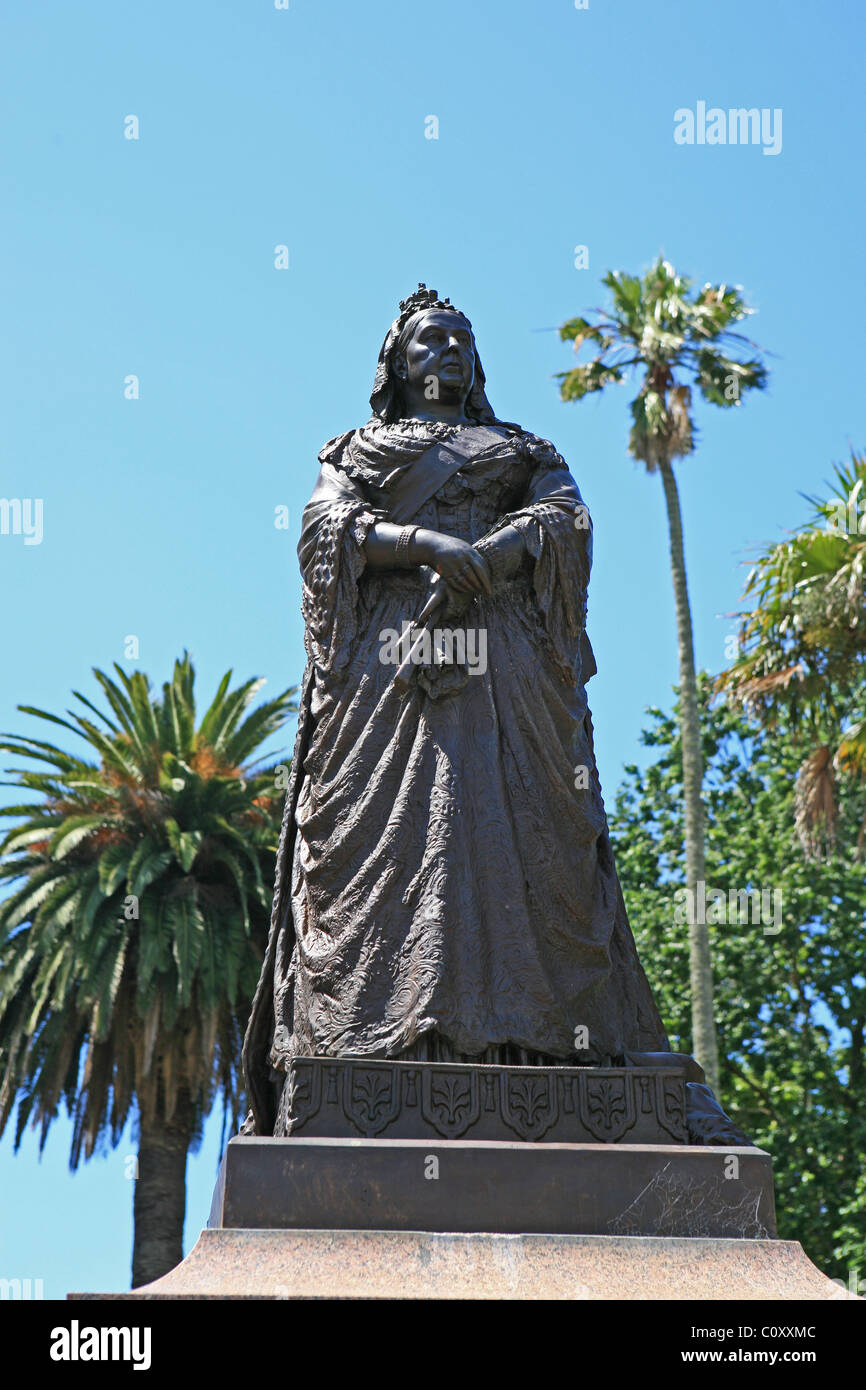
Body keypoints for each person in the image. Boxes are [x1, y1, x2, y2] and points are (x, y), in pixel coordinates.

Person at [242, 285, 670, 1137]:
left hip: (505, 661)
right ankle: (373, 1044)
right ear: (398, 363)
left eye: (461, 340)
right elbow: (323, 528)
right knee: (401, 839)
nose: (448, 351)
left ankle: (545, 1047)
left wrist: (500, 550)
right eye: (430, 341)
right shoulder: (356, 448)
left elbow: (569, 516)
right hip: (389, 671)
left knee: (516, 830)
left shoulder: (520, 446)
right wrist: (426, 544)